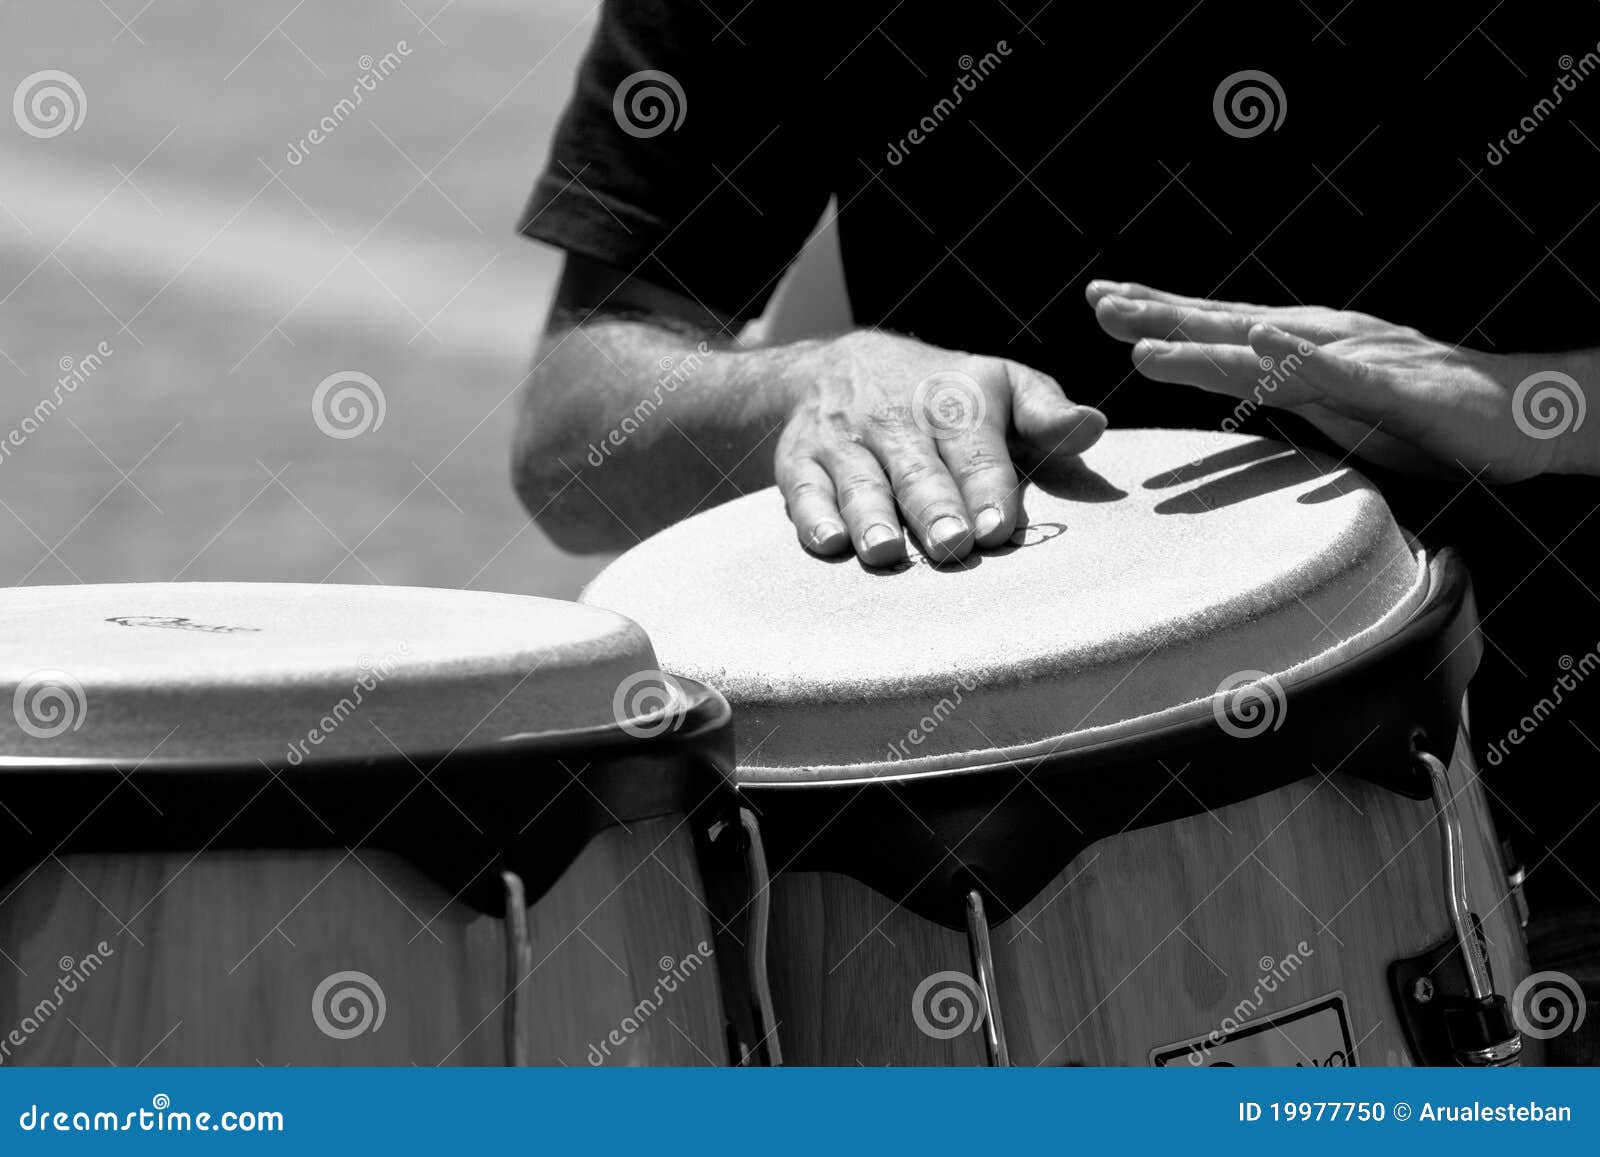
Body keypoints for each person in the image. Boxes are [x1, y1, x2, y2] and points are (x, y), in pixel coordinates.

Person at [512, 1, 1600, 956]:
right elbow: (568, 441)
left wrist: (1538, 404)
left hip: (1549, 862)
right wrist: (800, 387)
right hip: (965, 897)